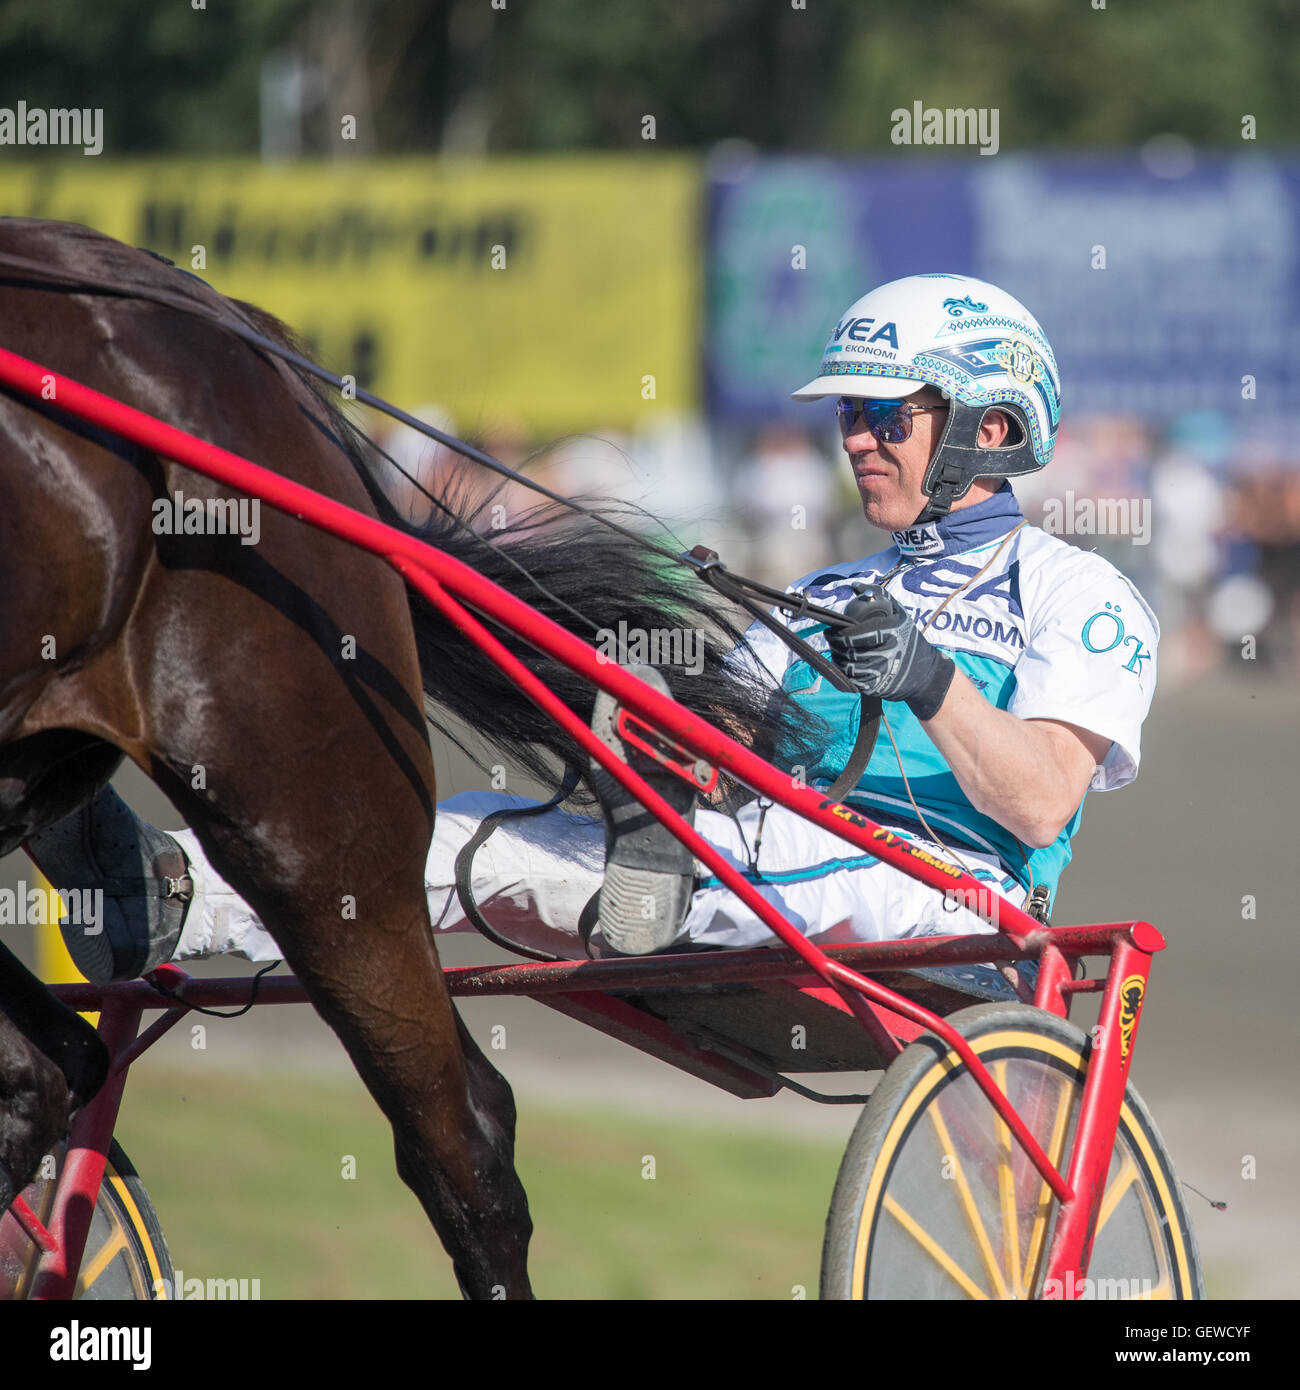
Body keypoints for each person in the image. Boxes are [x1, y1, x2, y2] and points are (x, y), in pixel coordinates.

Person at [29, 274, 1158, 985]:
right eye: (850, 417)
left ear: (993, 424)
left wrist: (928, 680)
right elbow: (748, 739)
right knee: (464, 831)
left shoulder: (1076, 593)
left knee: (698, 848)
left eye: (884, 414)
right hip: (777, 852)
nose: (856, 438)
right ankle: (171, 899)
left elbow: (1041, 799)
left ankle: (659, 862)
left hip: (953, 893)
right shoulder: (829, 587)